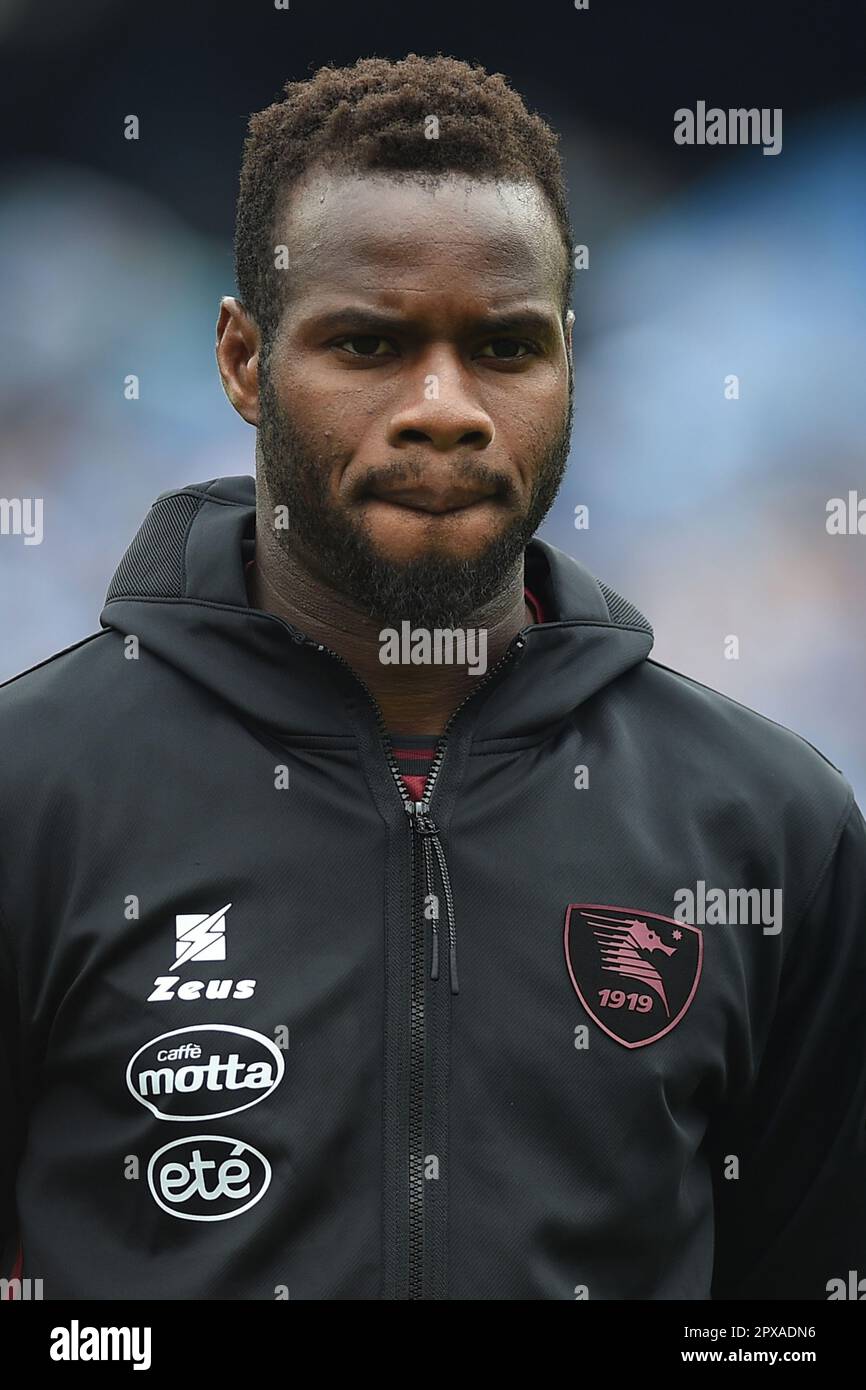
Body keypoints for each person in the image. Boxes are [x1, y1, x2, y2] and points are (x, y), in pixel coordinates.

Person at [1, 53, 864, 1302]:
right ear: (243, 362)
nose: (442, 409)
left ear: (568, 367)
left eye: (504, 347)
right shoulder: (35, 794)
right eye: (367, 342)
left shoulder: (767, 826)